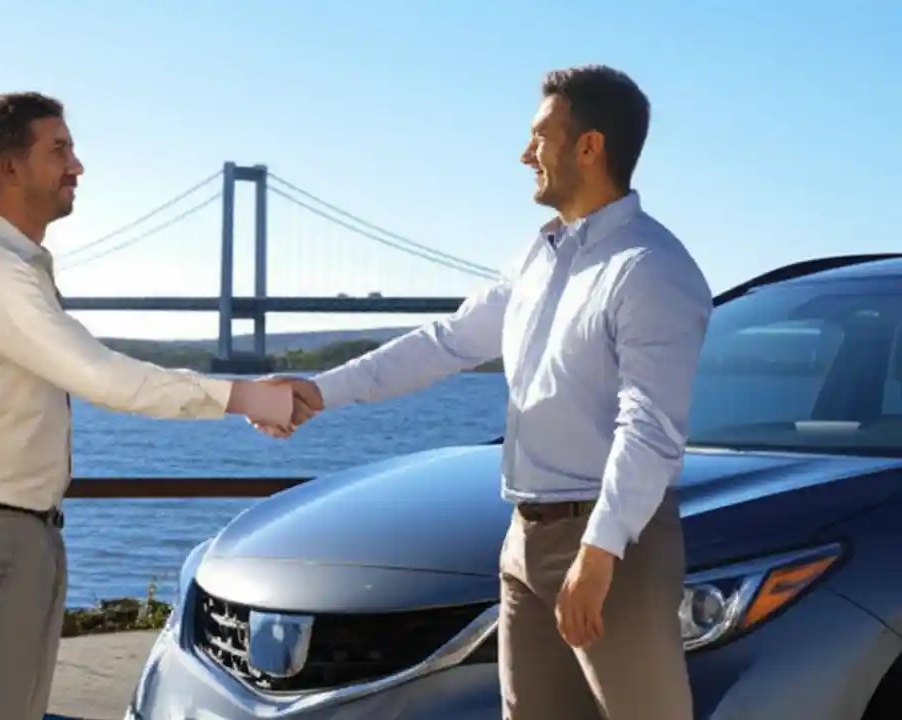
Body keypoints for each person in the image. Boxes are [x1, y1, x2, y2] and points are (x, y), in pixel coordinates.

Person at [260, 65, 713, 719]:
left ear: (589, 146)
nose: (525, 154)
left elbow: (649, 426)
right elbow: (446, 342)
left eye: (540, 137)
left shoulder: (651, 269)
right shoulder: (540, 257)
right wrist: (318, 391)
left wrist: (599, 551)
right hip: (525, 539)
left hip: (610, 545)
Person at [0, 91, 290, 720]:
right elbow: (101, 375)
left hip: (14, 536)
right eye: (58, 149)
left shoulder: (18, 268)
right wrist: (242, 395)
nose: (77, 165)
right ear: (9, 167)